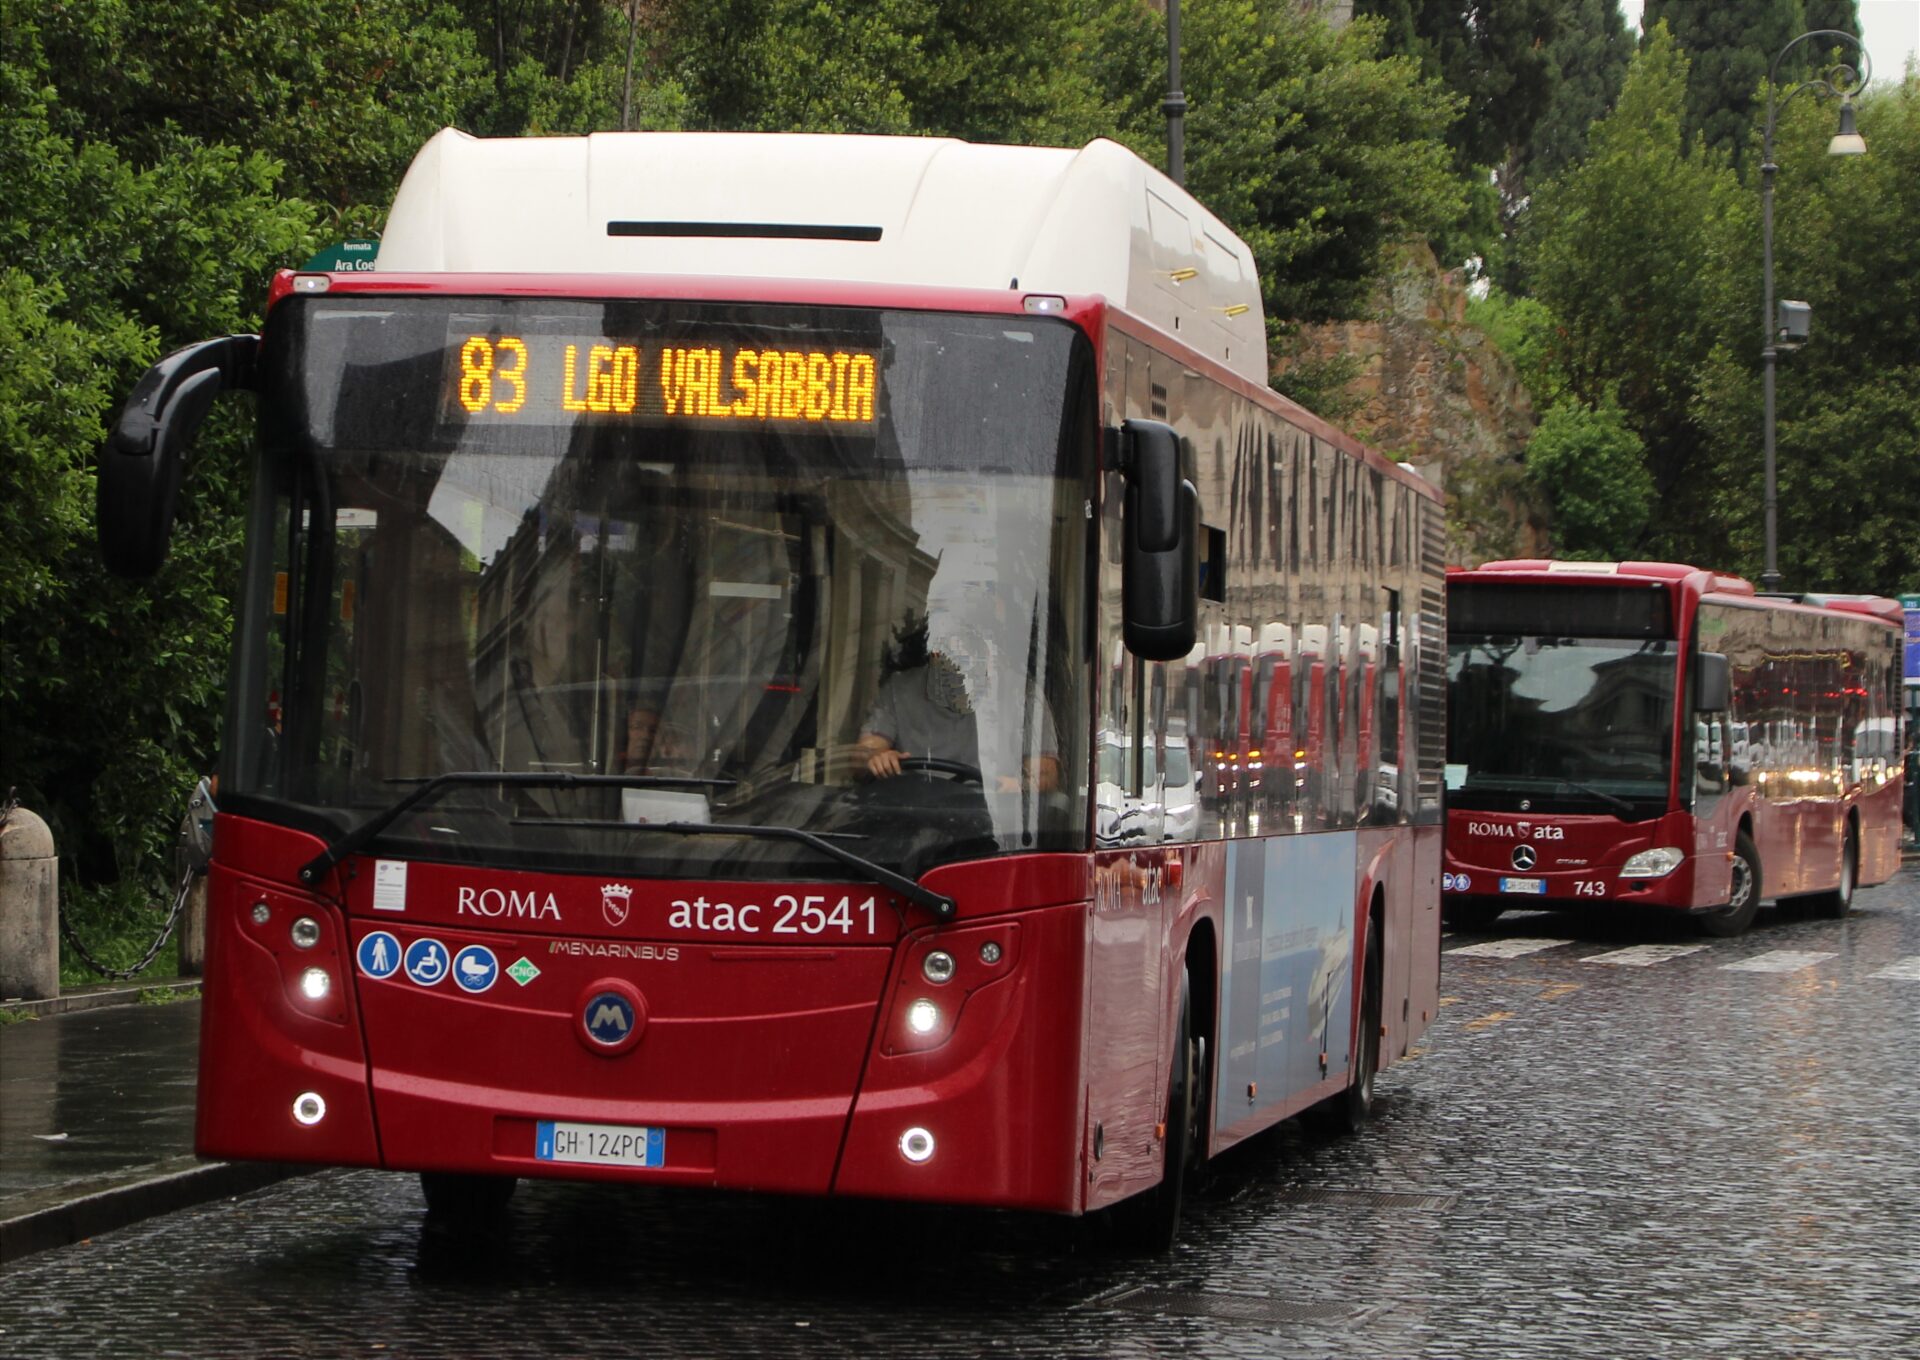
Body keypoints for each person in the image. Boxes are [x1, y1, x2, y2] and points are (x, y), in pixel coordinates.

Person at [856, 625, 1059, 793]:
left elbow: (1045, 775)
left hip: (992, 823)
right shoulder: (899, 689)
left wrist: (1016, 786)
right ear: (935, 653)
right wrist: (879, 757)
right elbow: (866, 752)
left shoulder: (1023, 695)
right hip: (911, 813)